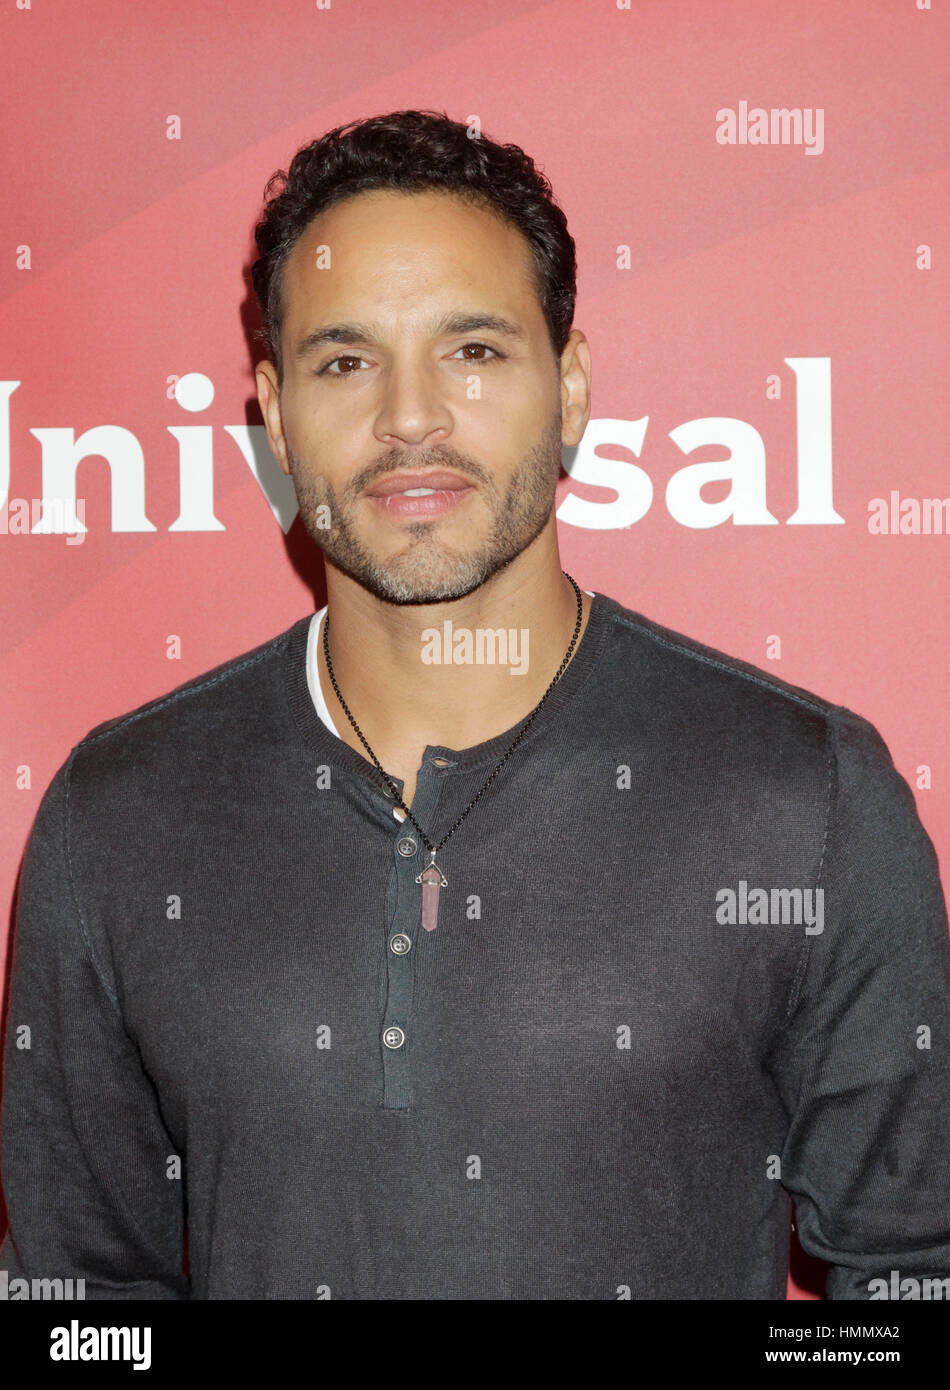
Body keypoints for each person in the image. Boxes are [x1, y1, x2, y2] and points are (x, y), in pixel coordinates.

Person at [2, 110, 948, 1300]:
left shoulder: (803, 791)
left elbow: (912, 1279)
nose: (410, 418)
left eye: (474, 351)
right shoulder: (119, 814)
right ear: (274, 412)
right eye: (344, 361)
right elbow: (76, 1307)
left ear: (572, 388)